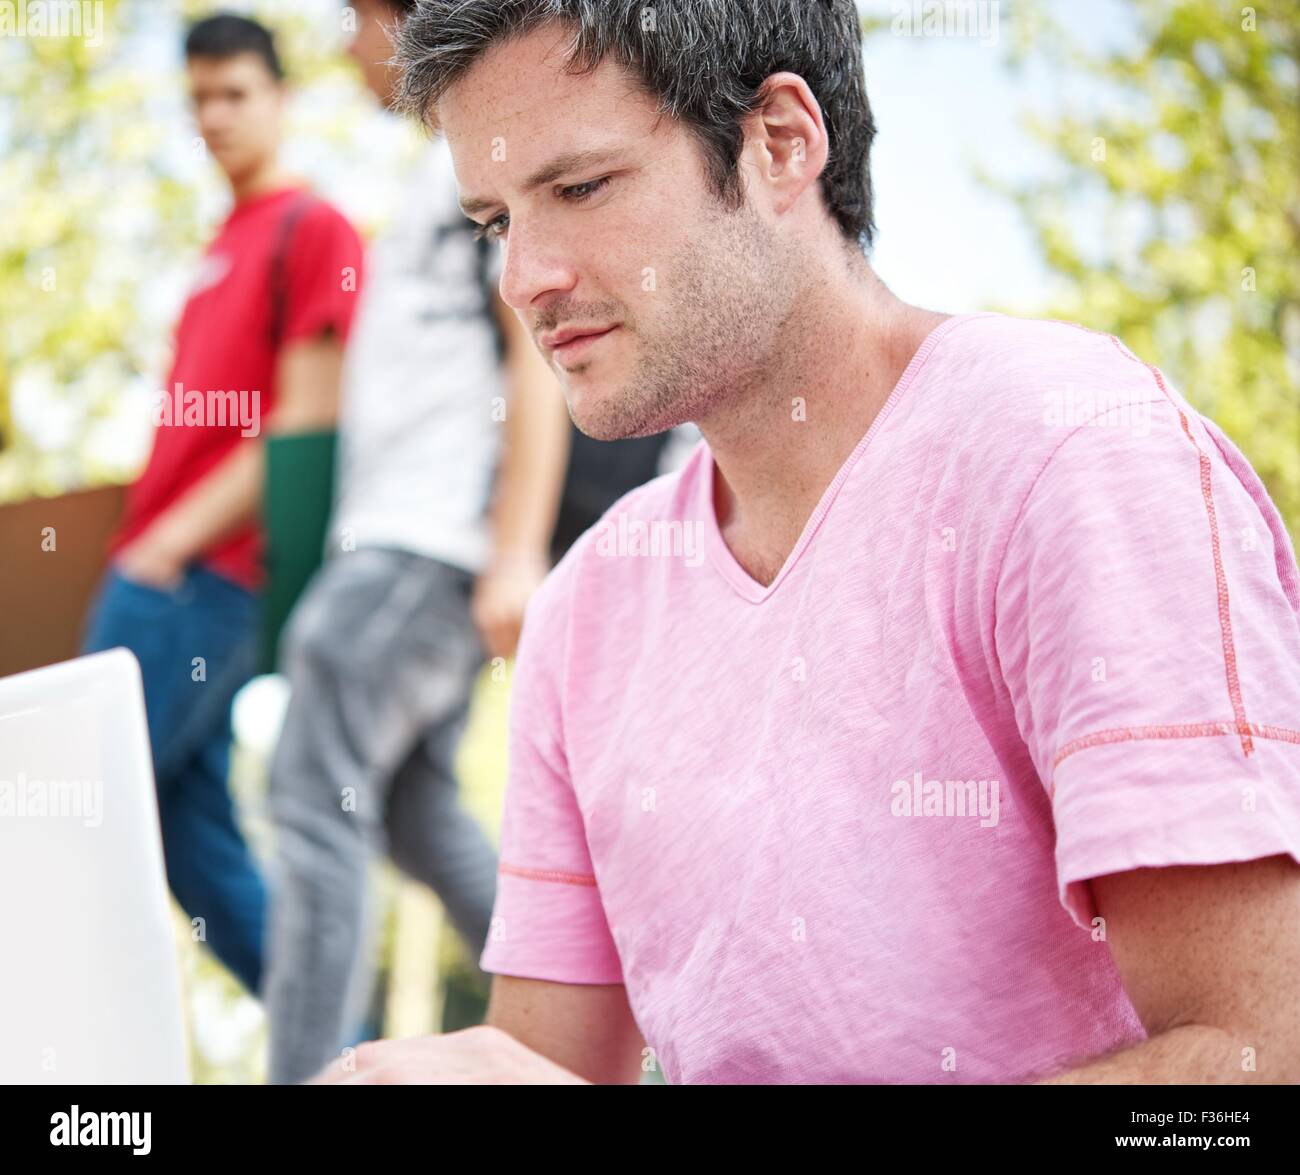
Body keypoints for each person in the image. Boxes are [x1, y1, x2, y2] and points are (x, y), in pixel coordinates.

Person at [317, 0, 1300, 1084]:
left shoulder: (1071, 457)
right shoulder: (586, 609)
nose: (525, 280)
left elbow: (1259, 1062)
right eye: (497, 221)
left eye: (581, 187)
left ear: (778, 142)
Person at [261, 0, 570, 1085]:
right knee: (410, 812)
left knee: (307, 796)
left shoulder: (483, 166)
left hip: (419, 544)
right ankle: (603, 1027)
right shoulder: (427, 182)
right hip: (409, 540)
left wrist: (514, 546)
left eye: (357, 18)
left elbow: (536, 348)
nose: (344, 43)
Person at [83, 13, 363, 996]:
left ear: (281, 98)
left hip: (202, 577)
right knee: (194, 851)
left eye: (236, 92)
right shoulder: (218, 244)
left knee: (67, 811)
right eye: (198, 96)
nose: (214, 116)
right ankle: (348, 1055)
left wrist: (165, 546)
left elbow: (300, 422)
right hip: (167, 564)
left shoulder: (312, 228)